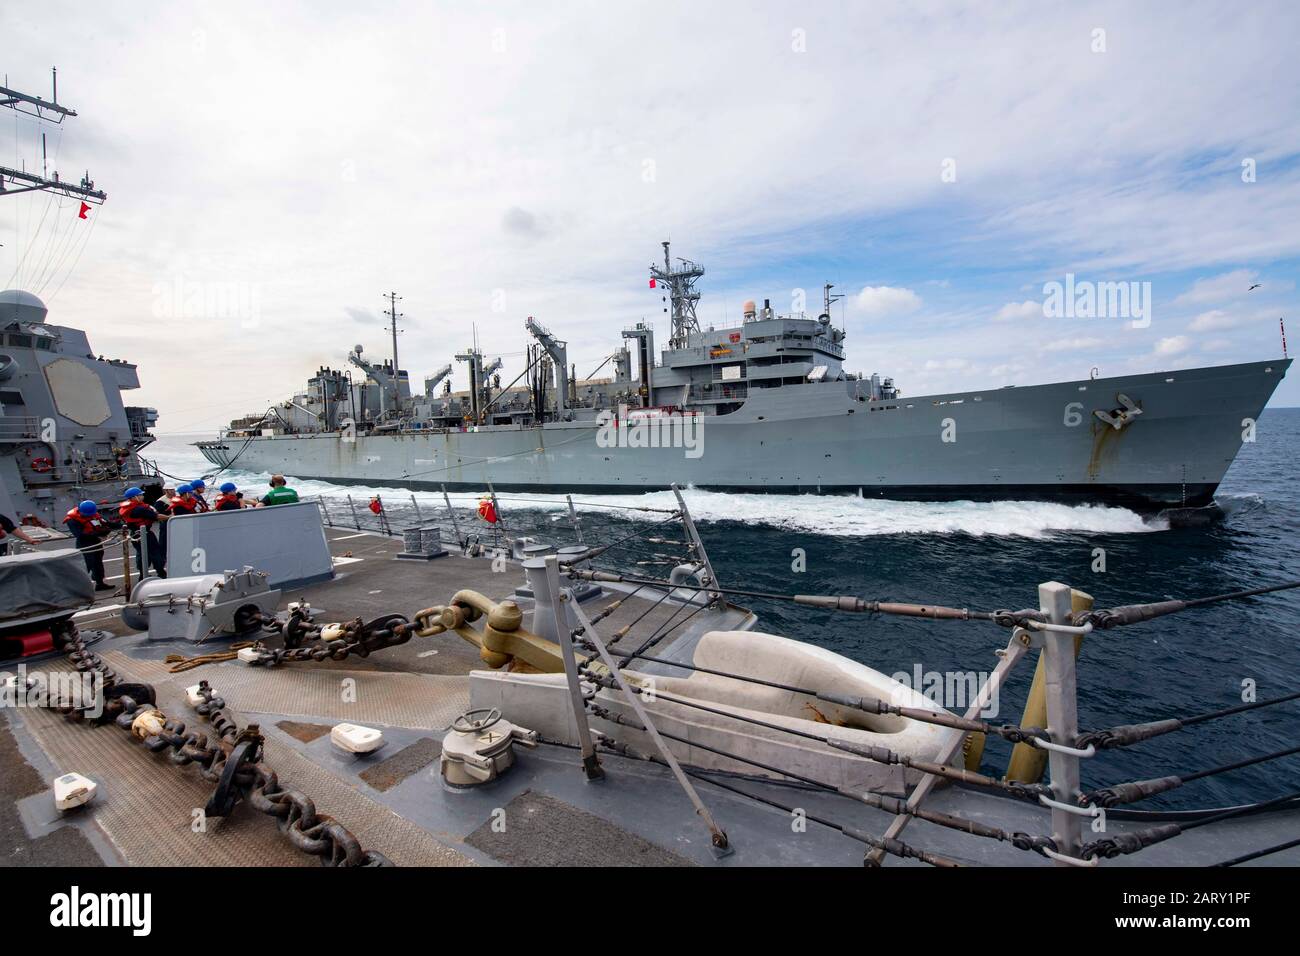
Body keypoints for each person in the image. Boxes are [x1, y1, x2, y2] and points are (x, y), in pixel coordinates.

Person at [63, 500, 114, 591]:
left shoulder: (94, 514)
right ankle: (78, 587)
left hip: (96, 541)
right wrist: (99, 533)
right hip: (85, 543)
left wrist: (122, 525)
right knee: (87, 564)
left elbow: (106, 523)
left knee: (98, 563)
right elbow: (79, 534)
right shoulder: (72, 520)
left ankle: (100, 583)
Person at [118, 487, 167, 578]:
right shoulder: (139, 509)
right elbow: (156, 516)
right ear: (134, 497)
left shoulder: (129, 508)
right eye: (140, 495)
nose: (142, 496)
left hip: (135, 534)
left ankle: (143, 574)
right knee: (155, 553)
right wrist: (170, 517)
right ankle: (161, 572)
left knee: (142, 554)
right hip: (145, 534)